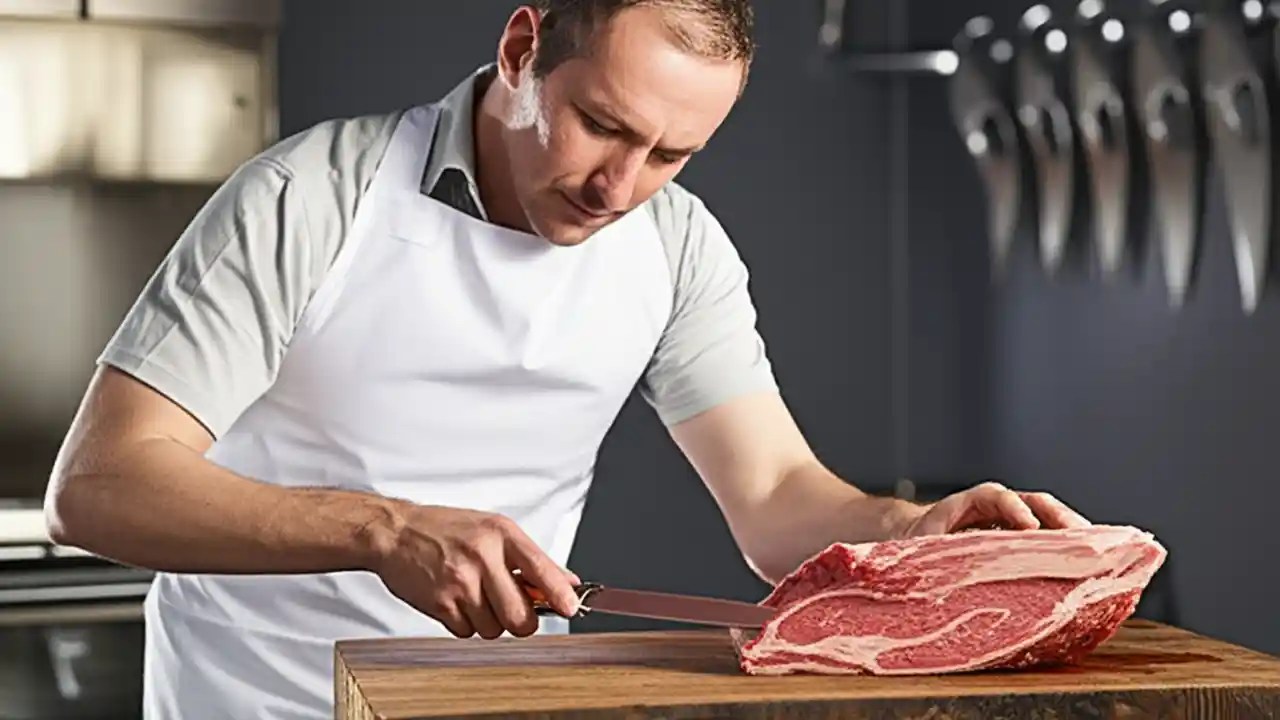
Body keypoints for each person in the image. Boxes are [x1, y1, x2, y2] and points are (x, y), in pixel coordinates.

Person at [44, 1, 1092, 718]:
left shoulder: (675, 244)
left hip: (506, 699)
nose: (619, 187)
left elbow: (775, 501)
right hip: (262, 699)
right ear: (520, 50)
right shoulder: (308, 198)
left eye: (671, 155)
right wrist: (382, 528)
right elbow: (98, 489)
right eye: (600, 125)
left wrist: (909, 530)